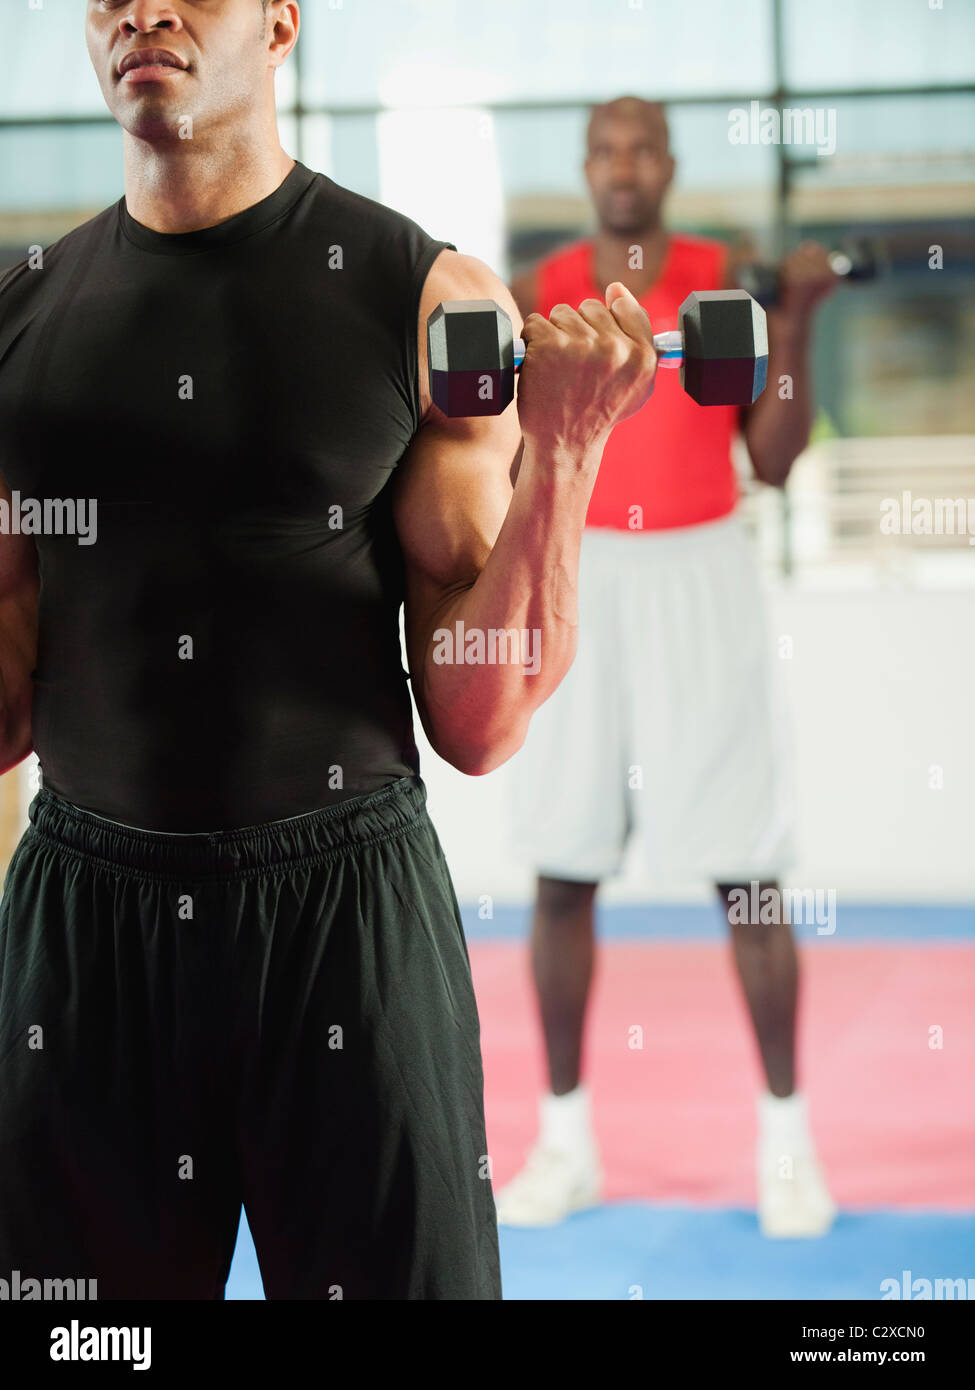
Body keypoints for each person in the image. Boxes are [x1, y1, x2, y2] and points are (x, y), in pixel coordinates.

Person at [0, 4, 659, 1299]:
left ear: (281, 22)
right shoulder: (20, 314)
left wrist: (565, 452)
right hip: (85, 923)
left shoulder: (418, 296)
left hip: (342, 914)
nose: (145, 9)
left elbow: (476, 719)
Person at [496, 96, 838, 1237]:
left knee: (747, 869)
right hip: (580, 568)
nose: (625, 166)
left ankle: (788, 1148)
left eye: (644, 148)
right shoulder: (540, 289)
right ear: (587, 165)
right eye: (606, 148)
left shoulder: (719, 275)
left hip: (704, 568)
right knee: (561, 864)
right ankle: (564, 1141)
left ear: (671, 166)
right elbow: (506, 458)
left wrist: (794, 329)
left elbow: (778, 461)